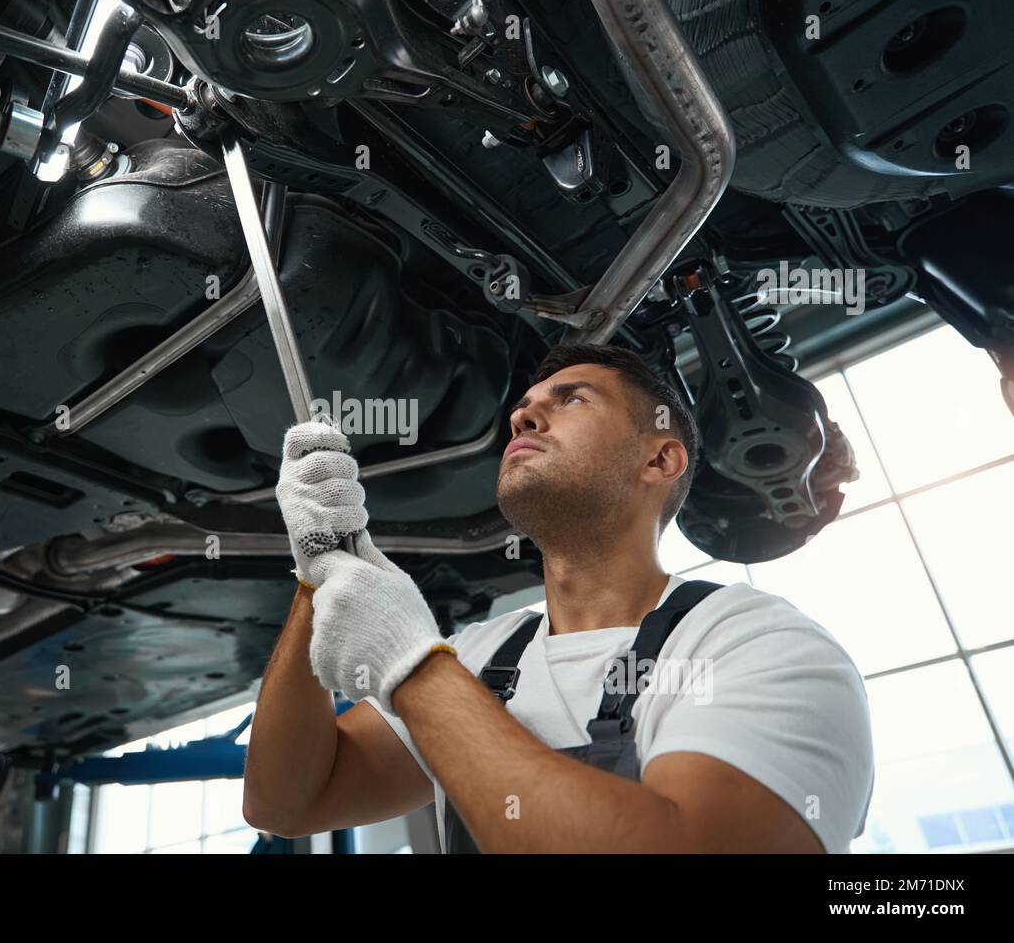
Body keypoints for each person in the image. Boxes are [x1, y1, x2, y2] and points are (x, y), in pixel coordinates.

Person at [242, 342, 874, 853]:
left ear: (660, 461)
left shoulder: (755, 641)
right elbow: (287, 803)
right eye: (523, 407)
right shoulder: (480, 655)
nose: (523, 416)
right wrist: (320, 572)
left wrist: (413, 668)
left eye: (572, 399)